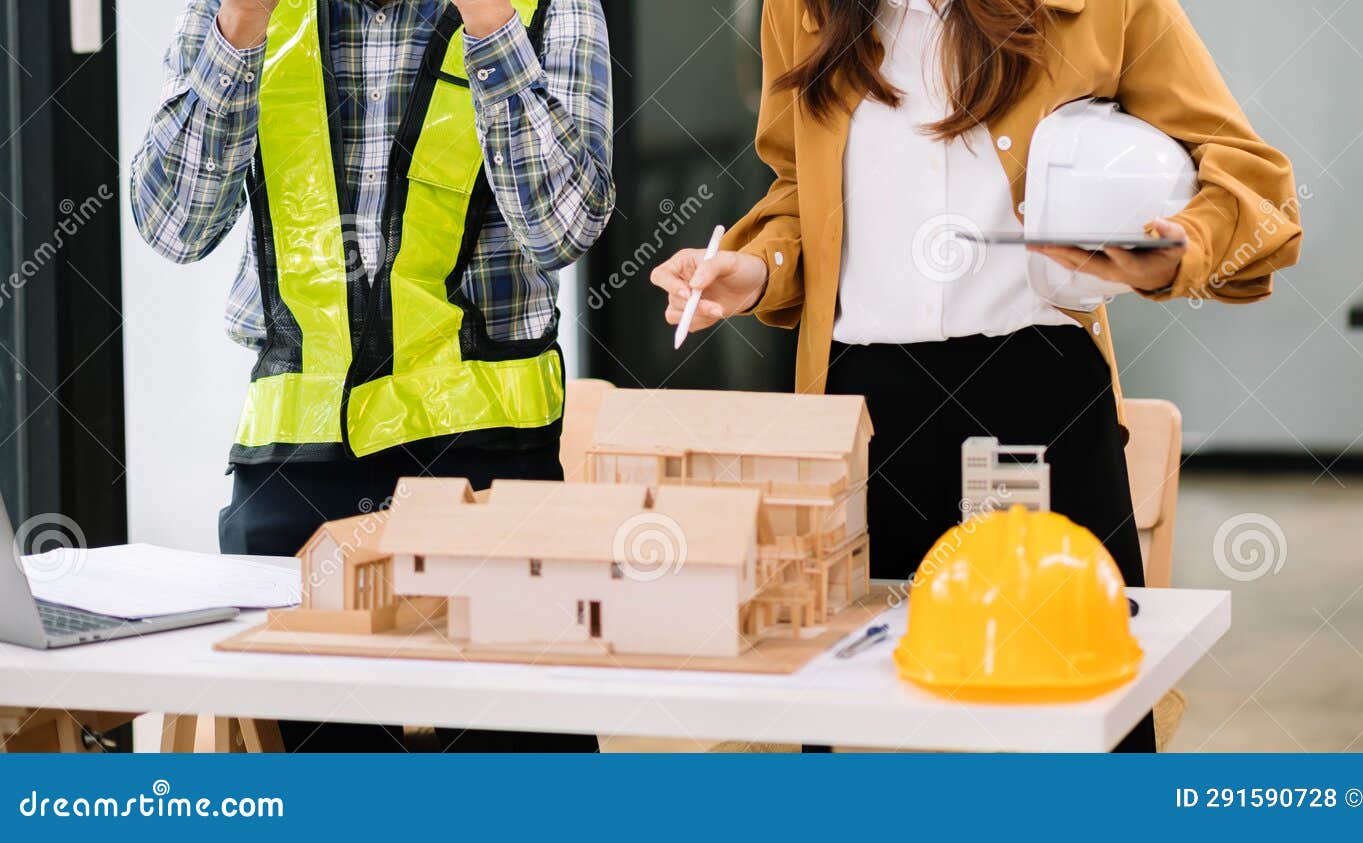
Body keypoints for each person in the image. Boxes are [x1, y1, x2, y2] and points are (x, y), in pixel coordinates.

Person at [650, 0, 1301, 752]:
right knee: (865, 752)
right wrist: (760, 267)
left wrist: (1180, 245)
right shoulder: (803, 9)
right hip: (864, 429)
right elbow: (799, 187)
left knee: (1080, 741)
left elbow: (1253, 180)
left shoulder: (1103, 8)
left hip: (1044, 405)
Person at [131, 0, 614, 752]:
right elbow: (171, 224)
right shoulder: (231, 8)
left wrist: (492, 28)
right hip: (295, 481)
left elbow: (564, 227)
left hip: (488, 475)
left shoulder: (550, 6)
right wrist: (237, 31)